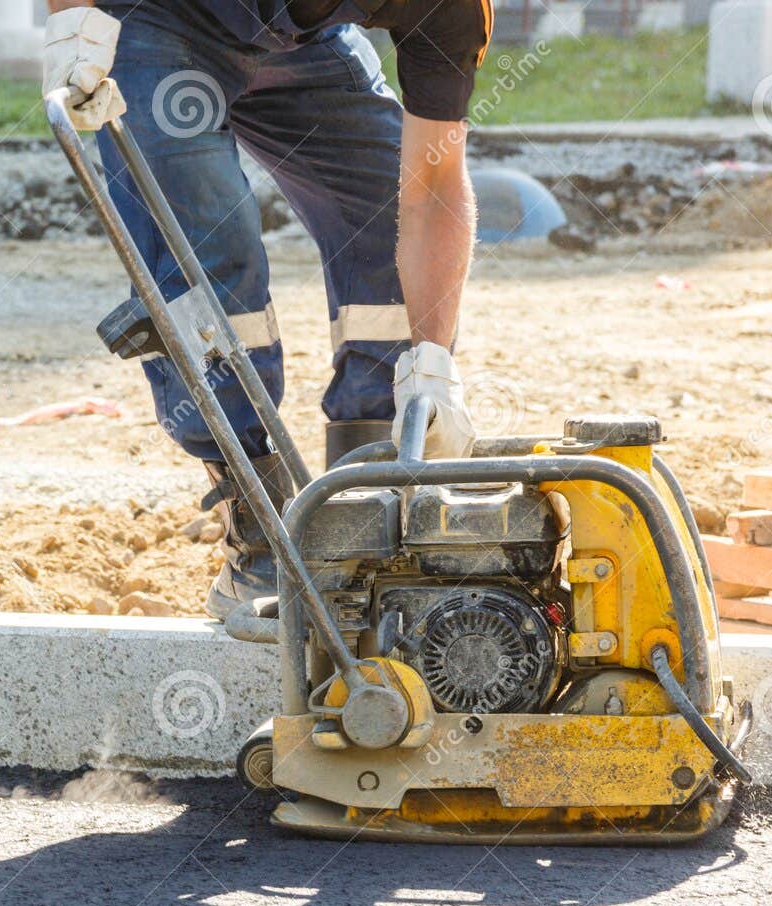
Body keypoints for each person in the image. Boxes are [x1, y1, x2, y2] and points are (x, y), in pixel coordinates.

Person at [43, 0, 489, 618]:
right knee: (207, 245)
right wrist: (74, 20)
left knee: (384, 206)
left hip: (306, 40)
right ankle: (257, 524)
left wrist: (432, 364)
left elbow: (433, 186)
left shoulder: (452, 9)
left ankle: (370, 509)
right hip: (165, 20)